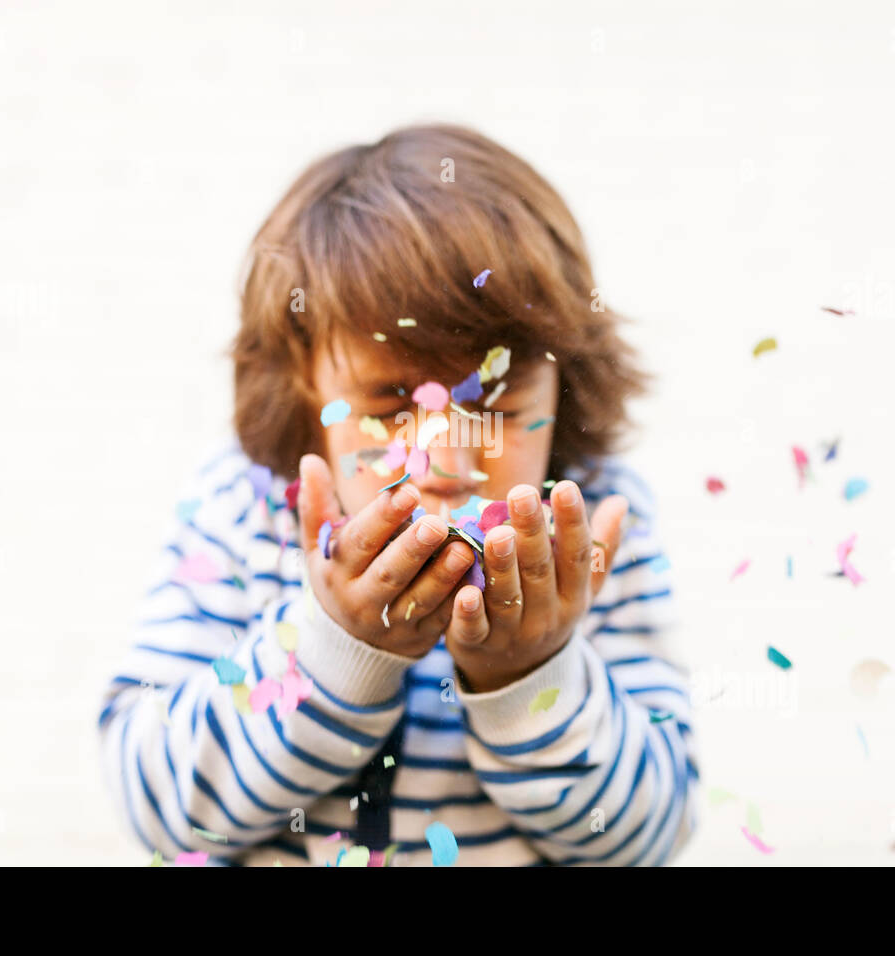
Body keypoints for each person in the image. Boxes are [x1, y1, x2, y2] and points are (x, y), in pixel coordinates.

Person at [97, 124, 697, 866]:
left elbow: (647, 837)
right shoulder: (240, 509)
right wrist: (336, 649)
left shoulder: (594, 531)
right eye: (387, 403)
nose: (446, 458)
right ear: (302, 391)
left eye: (498, 404)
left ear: (564, 386)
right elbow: (158, 807)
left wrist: (529, 674)